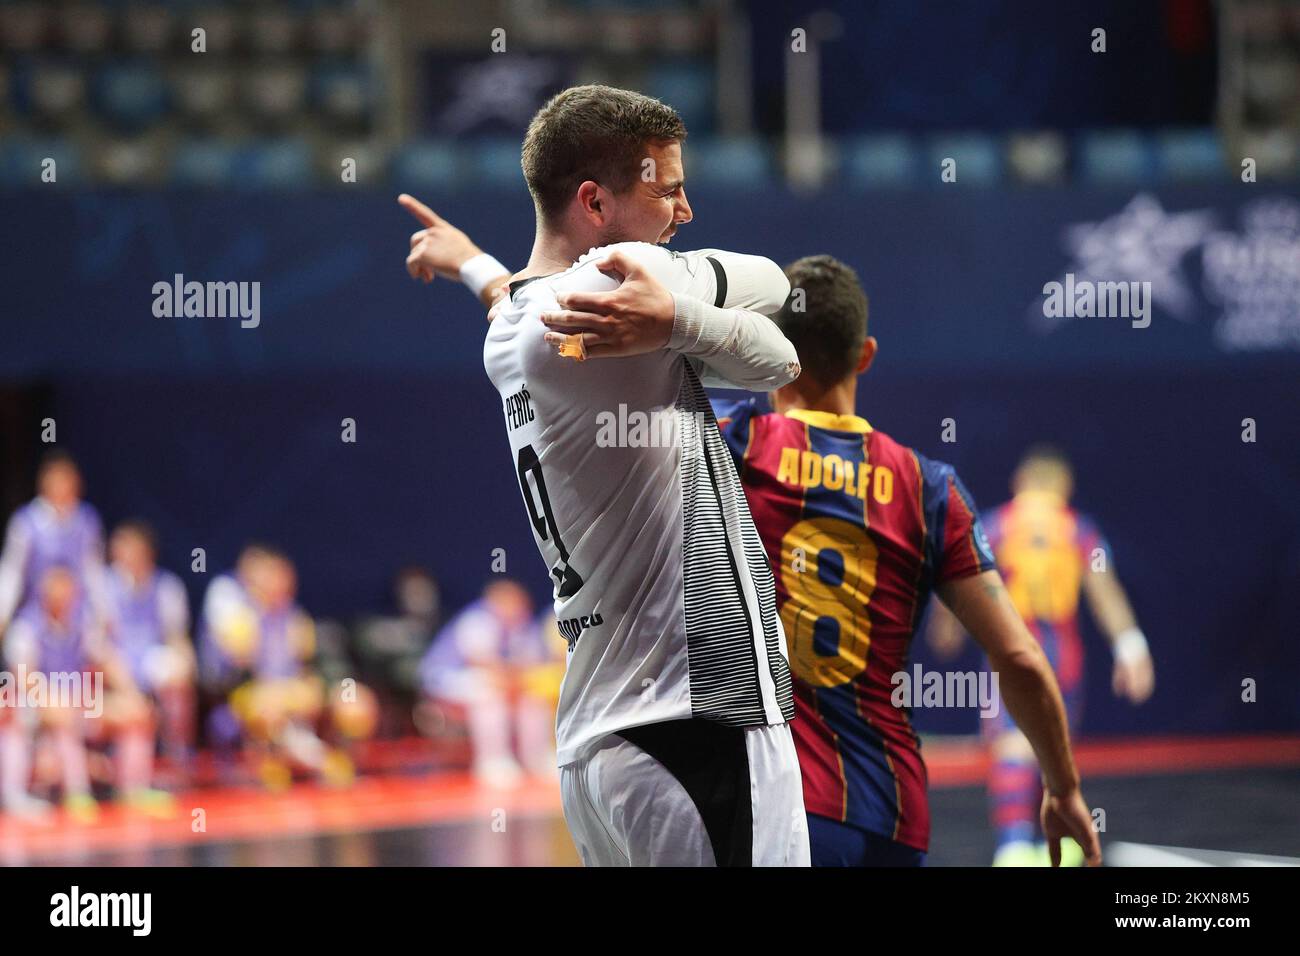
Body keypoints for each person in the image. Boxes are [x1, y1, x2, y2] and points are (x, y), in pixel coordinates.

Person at [412, 214, 1103, 868]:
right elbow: (1019, 657)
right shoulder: (929, 488)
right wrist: (1064, 787)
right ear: (864, 355)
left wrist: (478, 268)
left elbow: (555, 337)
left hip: (767, 787)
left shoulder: (734, 441)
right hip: (886, 808)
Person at [401, 83, 808, 866]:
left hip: (601, 745)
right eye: (667, 189)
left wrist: (472, 263)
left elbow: (514, 298)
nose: (684, 211)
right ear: (594, 201)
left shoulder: (515, 328)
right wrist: (680, 318)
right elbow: (778, 305)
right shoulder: (618, 283)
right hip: (698, 712)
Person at [929, 445, 1154, 865]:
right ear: (1064, 486)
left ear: (1020, 482)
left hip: (1010, 651)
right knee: (1053, 748)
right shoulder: (1077, 529)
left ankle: (1015, 846)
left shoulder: (994, 525)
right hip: (1064, 659)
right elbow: (1103, 589)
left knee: (1013, 744)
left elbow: (958, 574)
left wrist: (946, 628)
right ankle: (1054, 845)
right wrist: (1131, 647)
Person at [418, 579, 550, 785]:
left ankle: (537, 758)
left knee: (533, 694)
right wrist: (510, 682)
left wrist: (519, 683)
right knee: (488, 692)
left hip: (496, 680)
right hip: (445, 679)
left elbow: (531, 664)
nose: (515, 606)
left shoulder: (524, 624)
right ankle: (492, 761)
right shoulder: (477, 619)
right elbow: (481, 662)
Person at [0, 566, 103, 821]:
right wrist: (51, 703)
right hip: (33, 702)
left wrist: (130, 693)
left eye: (67, 593)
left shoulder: (83, 625)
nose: (63, 599)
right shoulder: (25, 628)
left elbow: (105, 663)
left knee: (130, 713)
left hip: (73, 702)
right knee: (17, 717)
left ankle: (83, 792)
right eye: (56, 593)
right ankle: (14, 796)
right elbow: (24, 678)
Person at [102, 520, 195, 796]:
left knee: (176, 674)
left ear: (146, 551)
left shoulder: (167, 587)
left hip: (149, 660)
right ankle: (122, 766)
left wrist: (185, 666)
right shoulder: (103, 585)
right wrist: (125, 686)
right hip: (113, 664)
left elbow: (177, 637)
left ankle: (176, 757)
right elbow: (99, 643)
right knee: (127, 692)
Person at [0, 451, 108, 635]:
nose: (62, 488)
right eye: (56, 482)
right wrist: (3, 615)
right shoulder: (26, 522)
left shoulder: (87, 521)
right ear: (44, 484)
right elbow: (12, 571)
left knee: (99, 643)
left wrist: (103, 613)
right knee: (20, 645)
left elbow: (93, 570)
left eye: (67, 482)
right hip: (36, 615)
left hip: (77, 618)